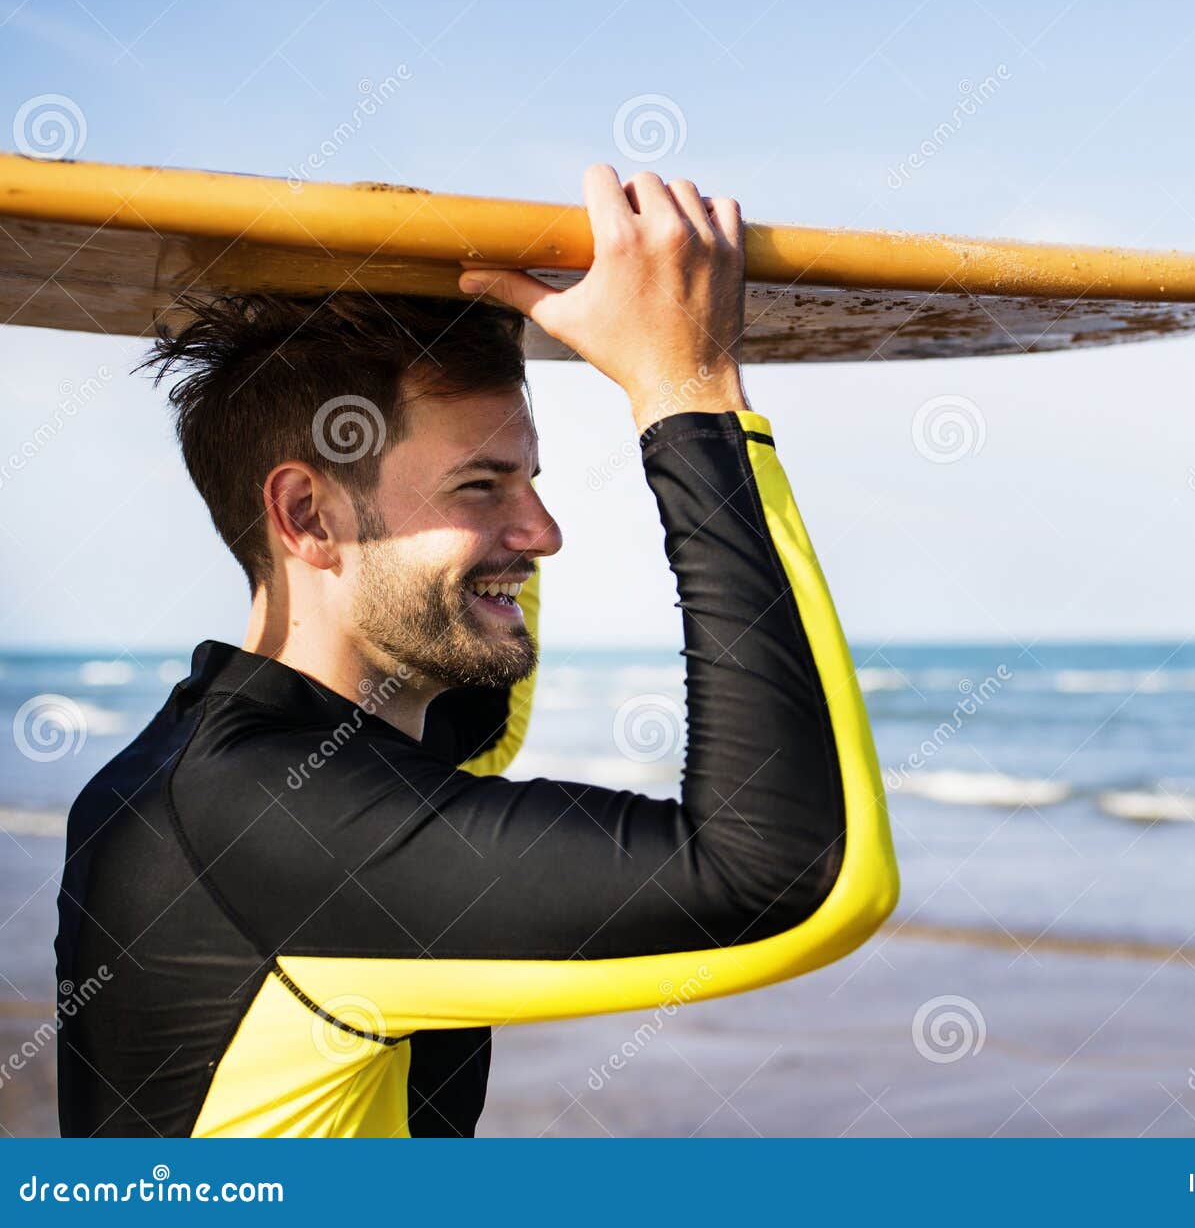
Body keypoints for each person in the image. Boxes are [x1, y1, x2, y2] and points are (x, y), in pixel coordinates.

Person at [53, 165, 898, 1137]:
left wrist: (432, 294)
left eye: (531, 480)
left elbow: (482, 710)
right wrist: (688, 395)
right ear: (305, 513)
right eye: (482, 485)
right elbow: (799, 881)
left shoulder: (211, 763)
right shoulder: (272, 821)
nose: (545, 532)